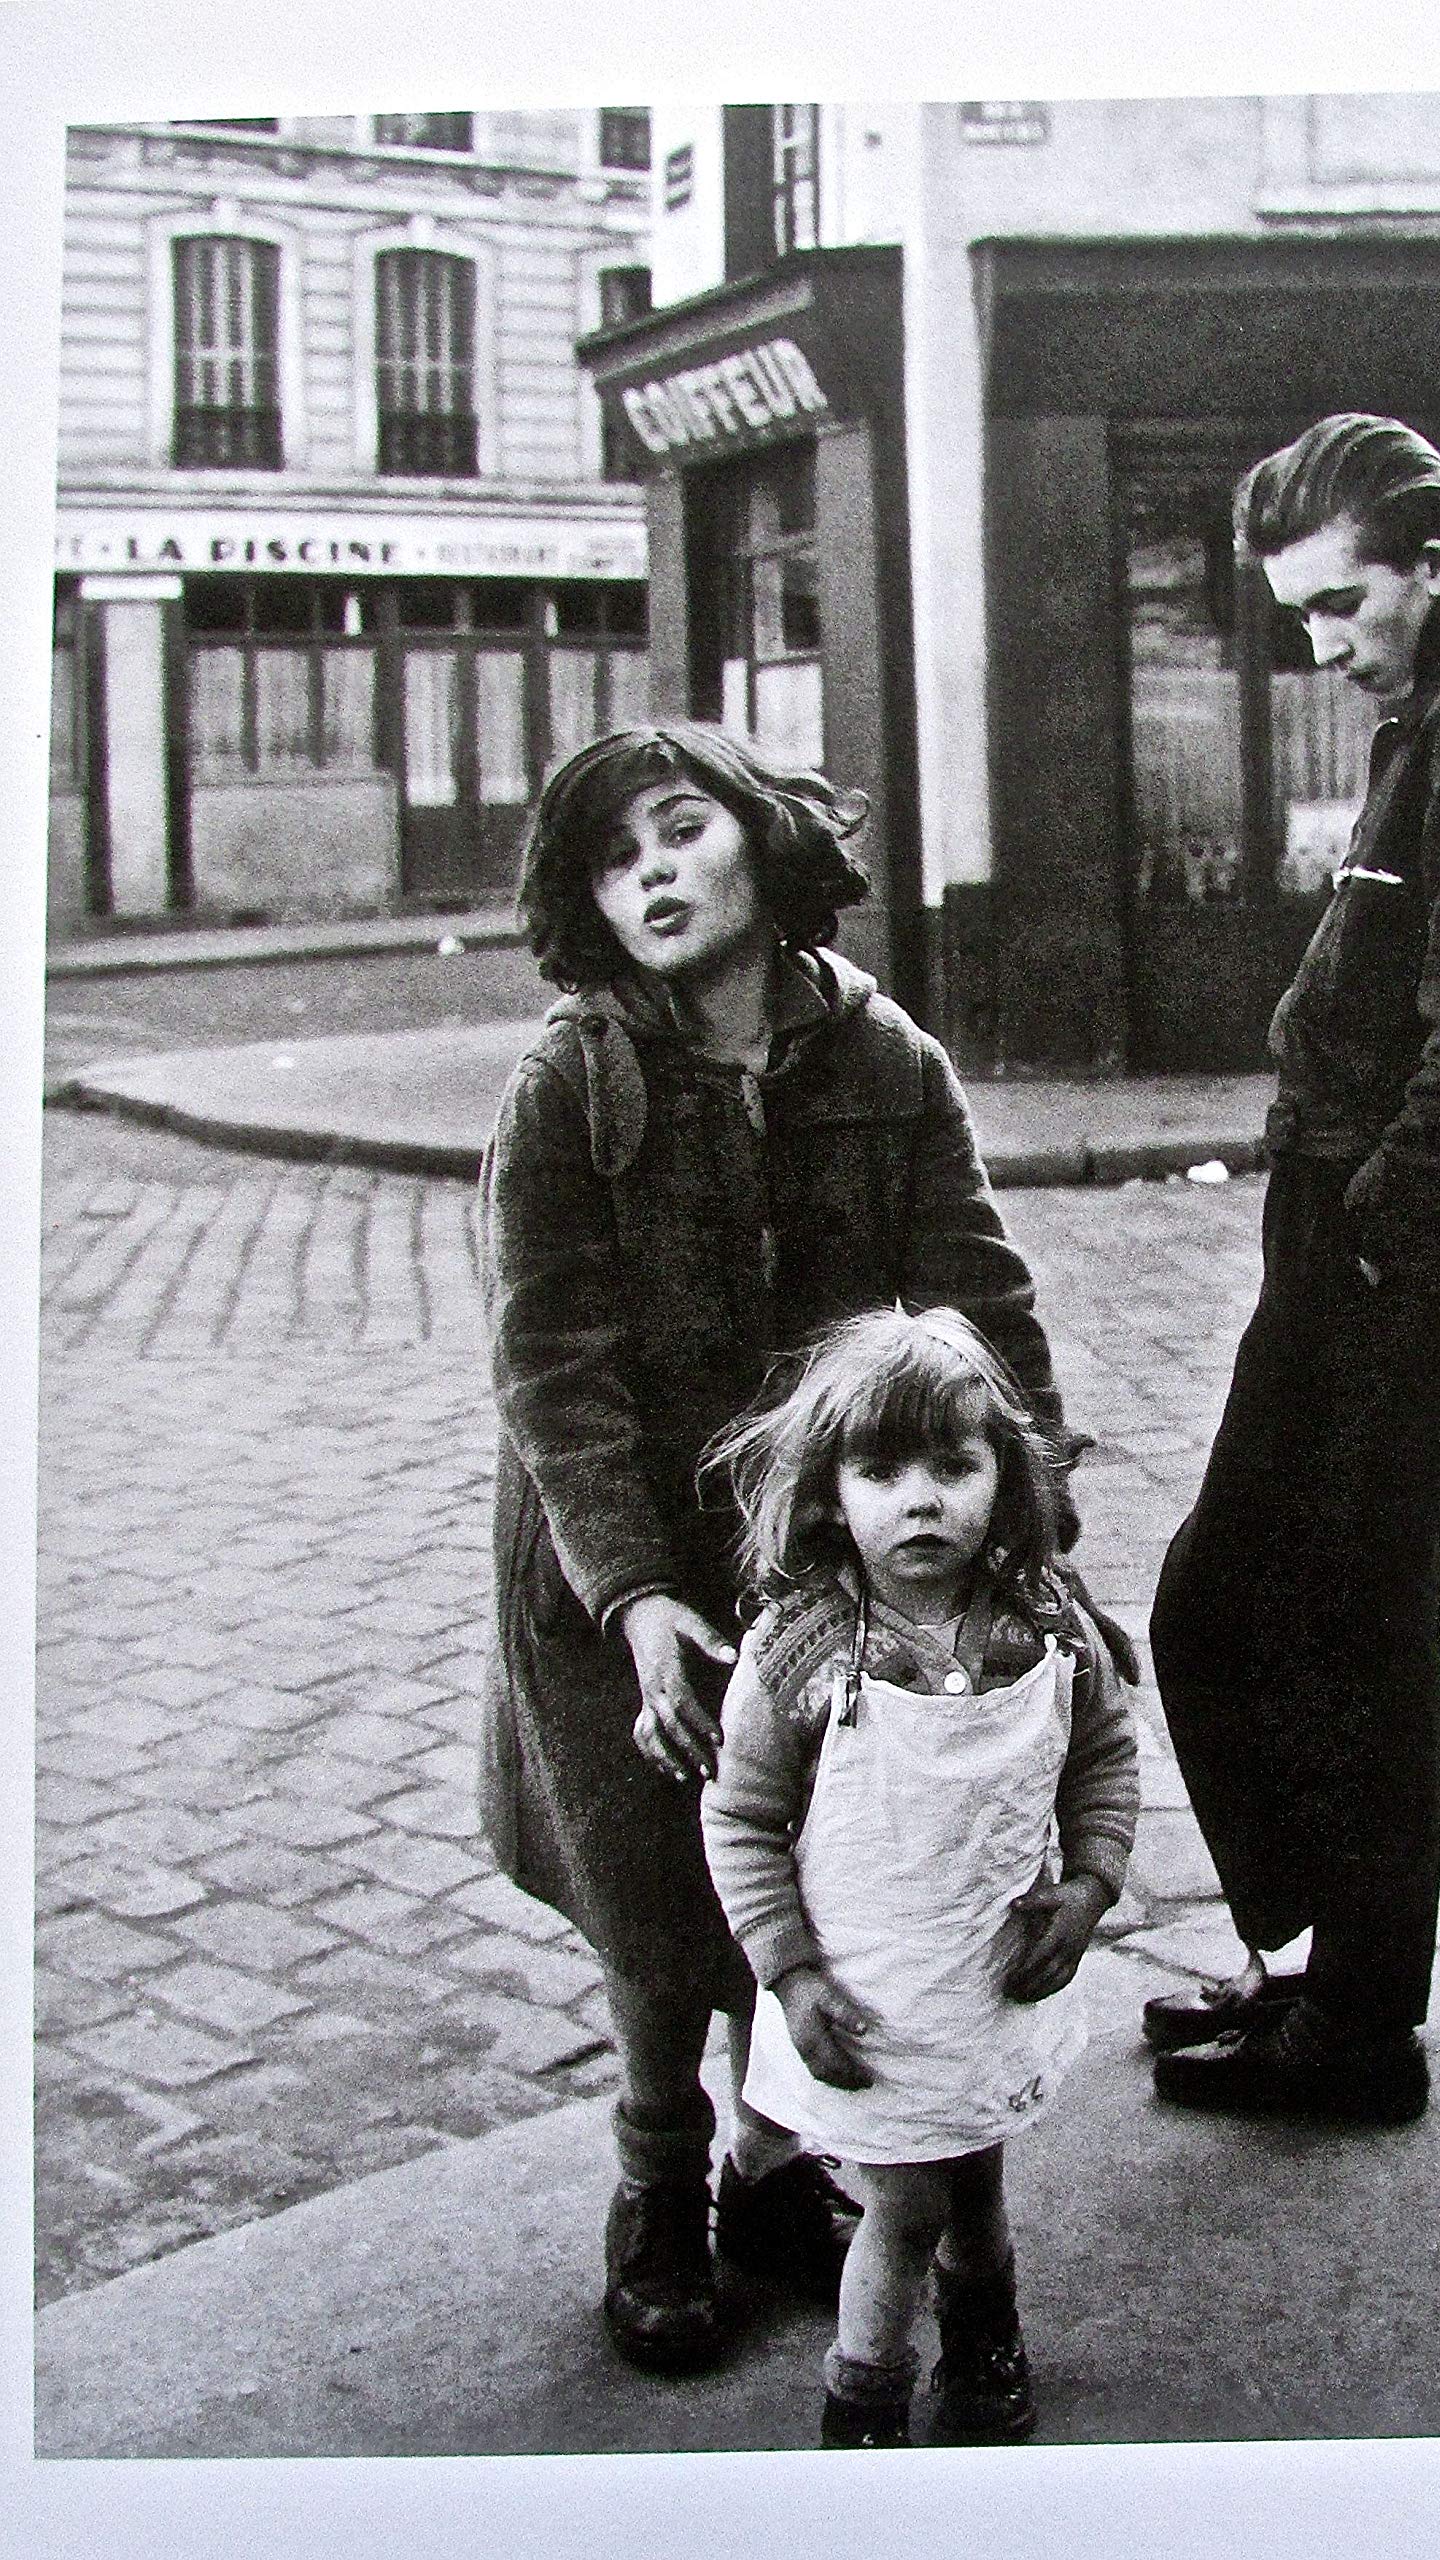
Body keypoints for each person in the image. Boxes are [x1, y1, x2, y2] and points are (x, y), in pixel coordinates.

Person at [479, 722, 1076, 2376]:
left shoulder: (889, 1063)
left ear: (763, 838)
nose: (653, 874)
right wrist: (635, 1597)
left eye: (680, 830)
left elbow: (982, 1306)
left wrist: (1039, 1534)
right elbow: (550, 1364)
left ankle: (765, 2167)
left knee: (806, 1853)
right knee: (652, 1889)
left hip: (819, 1552)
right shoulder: (570, 1080)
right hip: (612, 1564)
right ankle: (657, 2184)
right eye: (615, 859)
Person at [1145, 414, 1440, 2119]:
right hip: (1356, 1218)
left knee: (1291, 1609)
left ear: (1438, 557)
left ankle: (1351, 2028)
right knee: (1298, 1605)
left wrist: (1374, 1236)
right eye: (1300, 618)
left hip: (1389, 1235)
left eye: (1344, 605)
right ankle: (1328, 1981)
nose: (1323, 647)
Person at [700, 1308, 1138, 2450]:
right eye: (882, 1472)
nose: (921, 1501)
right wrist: (790, 1975)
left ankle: (985, 2336)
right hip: (867, 1994)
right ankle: (866, 2399)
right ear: (829, 1493)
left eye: (953, 1467)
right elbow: (741, 1818)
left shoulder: (1044, 1625)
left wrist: (1090, 1886)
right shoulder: (800, 1653)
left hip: (989, 1977)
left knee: (977, 2179)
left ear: (1006, 1475)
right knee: (903, 2207)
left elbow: (1103, 1754)